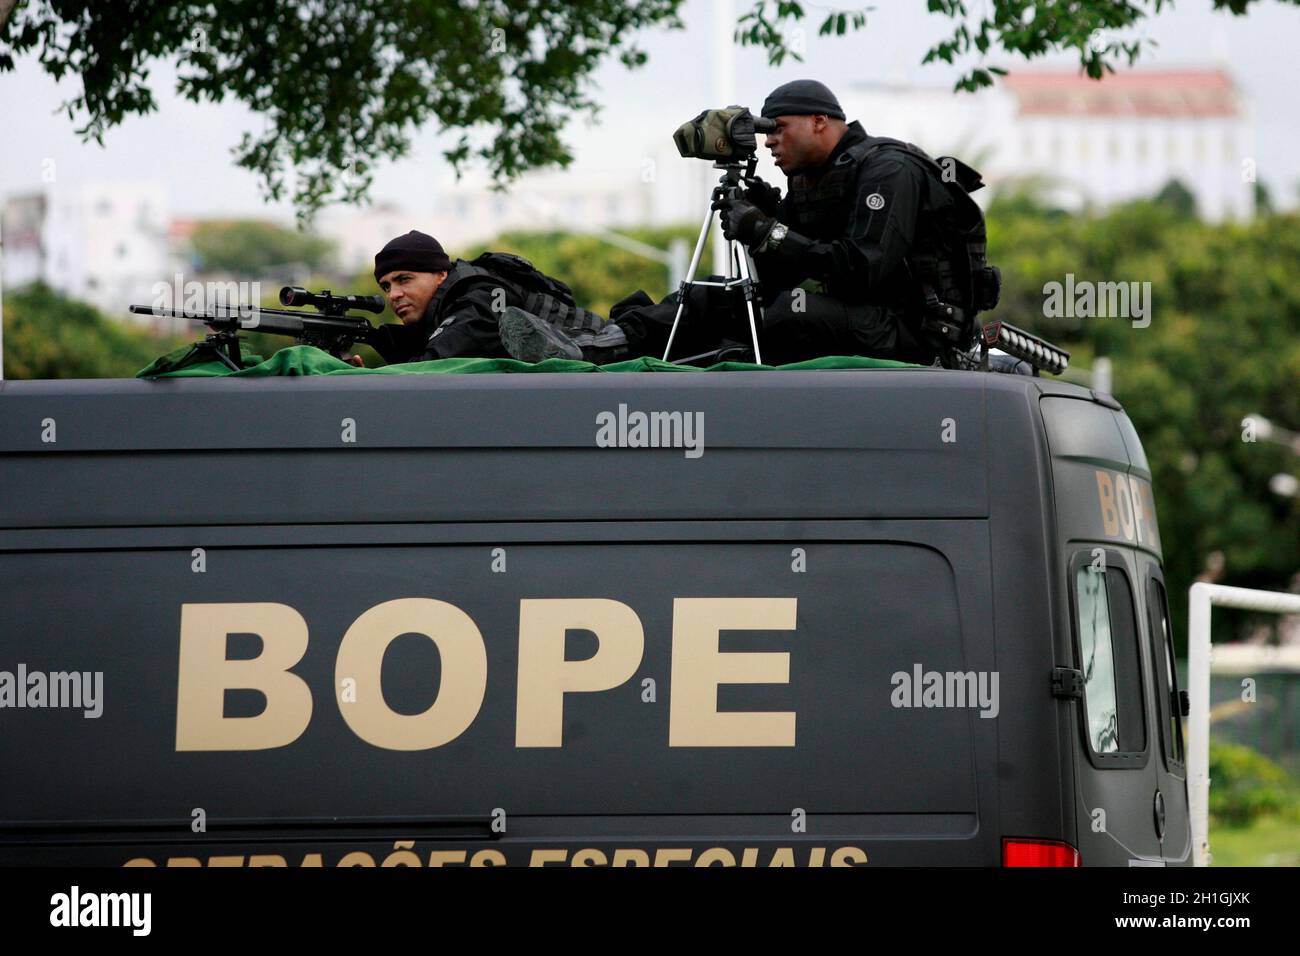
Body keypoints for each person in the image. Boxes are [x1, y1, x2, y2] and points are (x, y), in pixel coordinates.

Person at [497, 79, 999, 367]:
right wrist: (766, 218)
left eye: (778, 129)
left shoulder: (887, 169)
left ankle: (711, 364)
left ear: (821, 122)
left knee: (788, 315)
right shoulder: (813, 178)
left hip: (916, 333)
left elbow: (865, 269)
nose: (769, 142)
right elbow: (776, 278)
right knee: (707, 296)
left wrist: (768, 231)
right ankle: (589, 347)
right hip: (858, 316)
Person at [362, 230, 613, 365]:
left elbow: (432, 367)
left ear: (440, 275)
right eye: (386, 286)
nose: (393, 294)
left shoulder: (482, 297)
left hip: (611, 347)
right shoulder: (451, 304)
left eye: (404, 279)